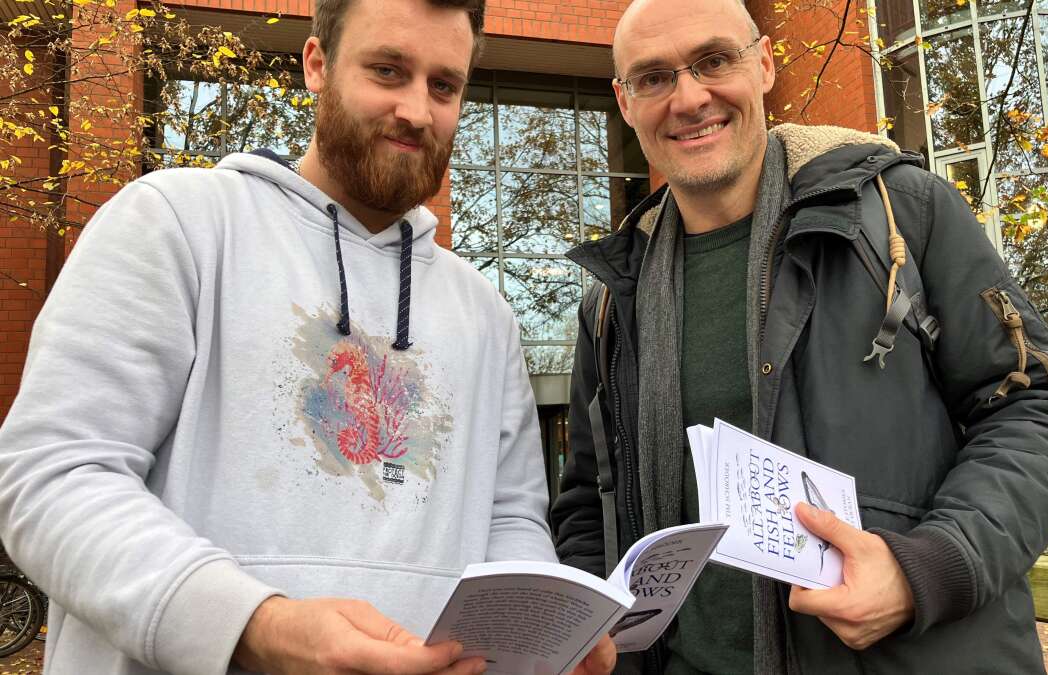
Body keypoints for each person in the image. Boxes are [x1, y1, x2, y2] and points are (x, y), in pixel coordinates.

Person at [0, 0, 618, 673]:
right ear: (317, 64)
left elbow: (511, 521)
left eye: (444, 85)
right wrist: (254, 624)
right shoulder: (174, 224)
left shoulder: (486, 312)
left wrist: (541, 630)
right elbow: (52, 477)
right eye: (388, 70)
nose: (417, 109)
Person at [550, 0, 1048, 672]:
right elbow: (586, 500)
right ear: (625, 102)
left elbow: (1042, 408)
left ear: (764, 64)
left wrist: (924, 568)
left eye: (714, 61)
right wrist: (584, 627)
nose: (690, 98)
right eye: (654, 78)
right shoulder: (612, 300)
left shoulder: (900, 214)